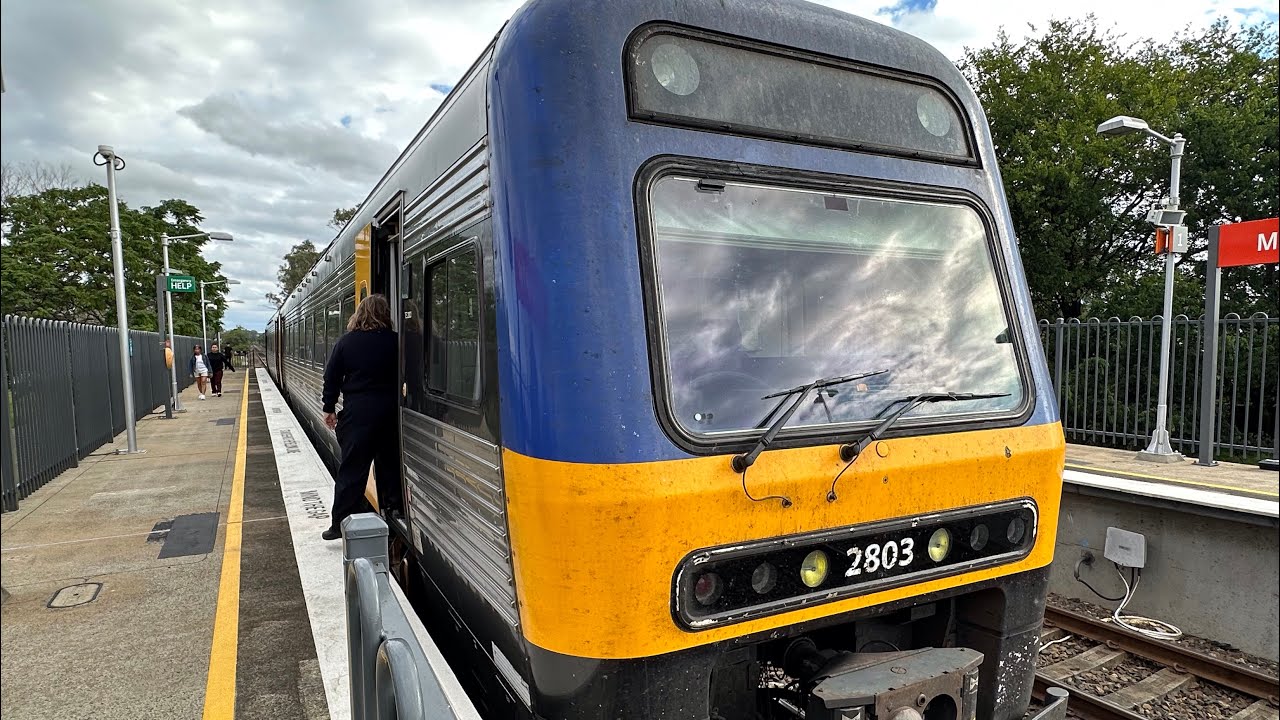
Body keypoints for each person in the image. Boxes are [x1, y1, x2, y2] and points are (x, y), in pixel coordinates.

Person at [321, 294, 401, 541]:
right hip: (390, 413)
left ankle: (340, 524)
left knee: (352, 471)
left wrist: (329, 408)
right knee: (389, 467)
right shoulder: (396, 342)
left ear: (361, 313)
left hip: (358, 414)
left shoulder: (347, 343)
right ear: (385, 314)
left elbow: (331, 378)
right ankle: (393, 511)